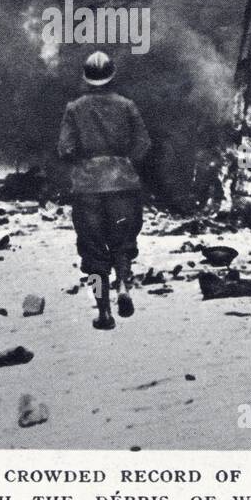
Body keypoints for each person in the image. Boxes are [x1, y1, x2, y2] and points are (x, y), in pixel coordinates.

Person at [57, 51, 151, 330]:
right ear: (112, 76)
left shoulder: (74, 109)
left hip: (88, 188)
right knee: (123, 245)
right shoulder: (127, 106)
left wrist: (84, 161)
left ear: (86, 78)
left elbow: (65, 148)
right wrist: (123, 160)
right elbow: (143, 144)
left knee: (93, 252)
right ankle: (123, 285)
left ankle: (103, 312)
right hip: (123, 183)